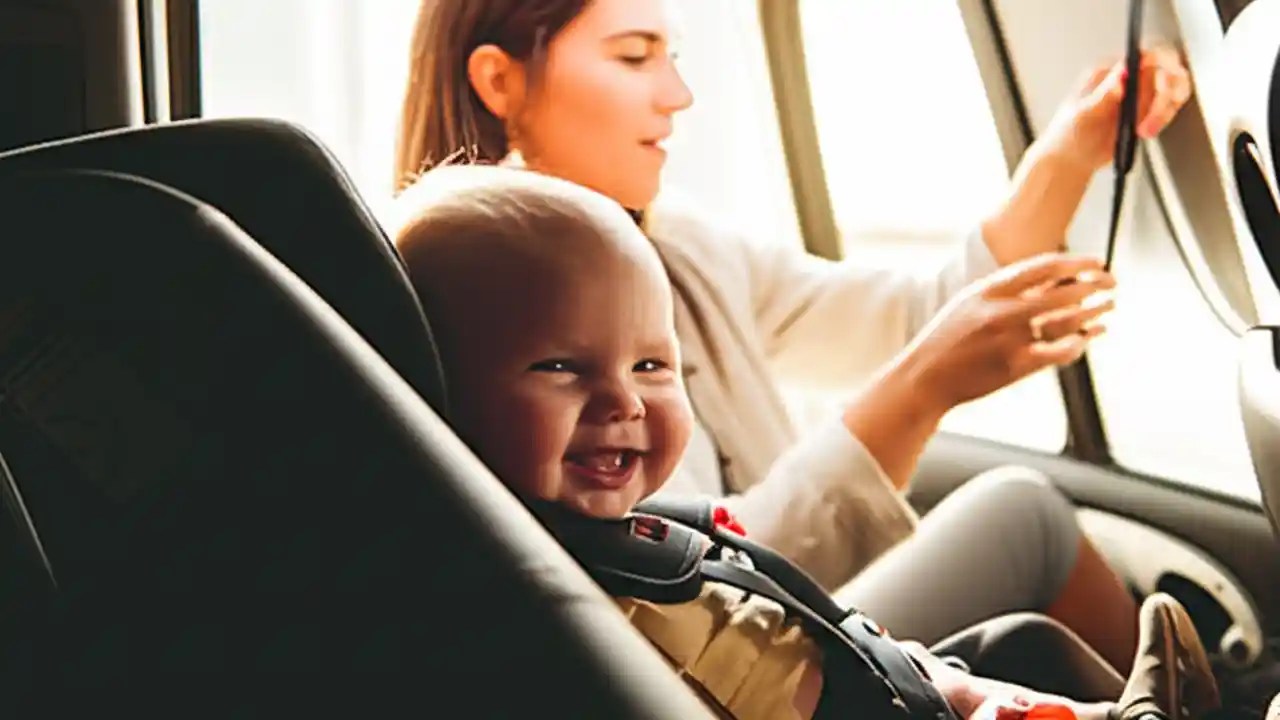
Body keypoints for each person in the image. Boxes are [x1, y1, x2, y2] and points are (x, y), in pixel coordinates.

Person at [393, 0, 1194, 670]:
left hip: (765, 617)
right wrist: (921, 389)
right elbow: (698, 574)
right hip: (710, 657)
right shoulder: (475, 330)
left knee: (1026, 644)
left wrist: (1070, 154)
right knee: (1026, 517)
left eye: (672, 57)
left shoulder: (680, 246)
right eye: (635, 58)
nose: (676, 95)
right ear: (500, 80)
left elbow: (912, 318)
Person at [387, 163, 1218, 720]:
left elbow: (902, 307)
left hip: (841, 659)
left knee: (1005, 658)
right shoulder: (537, 609)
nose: (623, 400)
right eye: (564, 369)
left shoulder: (676, 248)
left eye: (652, 365)